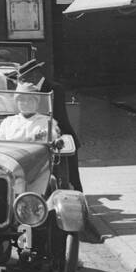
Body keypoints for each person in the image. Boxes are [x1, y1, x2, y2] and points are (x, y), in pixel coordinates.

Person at [16, 60, 82, 189]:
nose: (23, 82)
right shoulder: (29, 89)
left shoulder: (54, 88)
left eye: (24, 79)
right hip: (41, 133)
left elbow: (57, 116)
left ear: (35, 74)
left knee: (70, 177)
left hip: (60, 135)